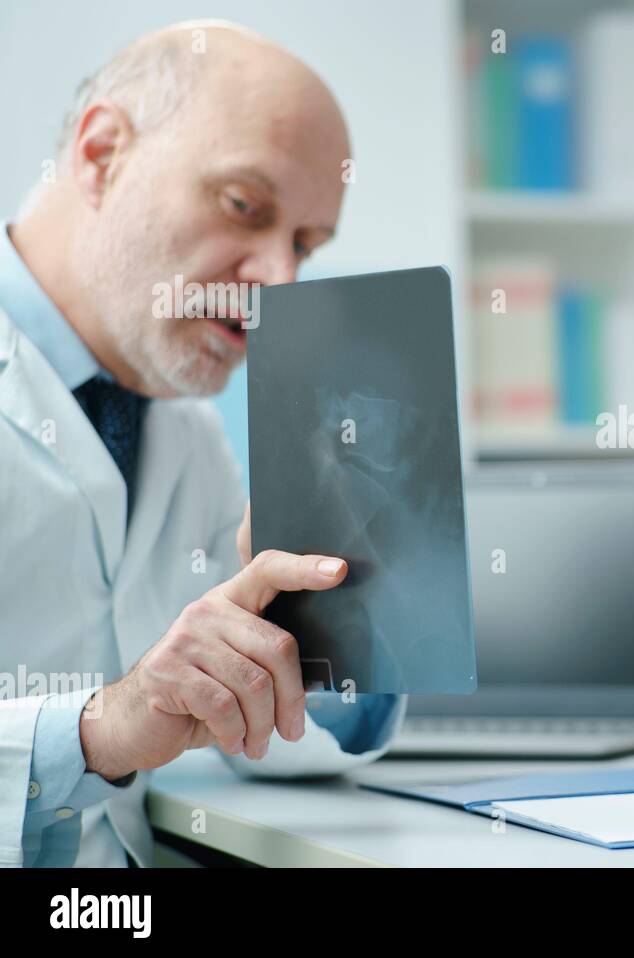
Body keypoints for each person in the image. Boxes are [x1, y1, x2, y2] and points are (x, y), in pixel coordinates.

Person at [0, 21, 403, 868]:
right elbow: (125, 725)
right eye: (243, 206)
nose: (280, 283)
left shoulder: (185, 430)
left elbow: (264, 739)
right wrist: (101, 728)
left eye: (304, 243)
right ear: (101, 154)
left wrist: (338, 623)